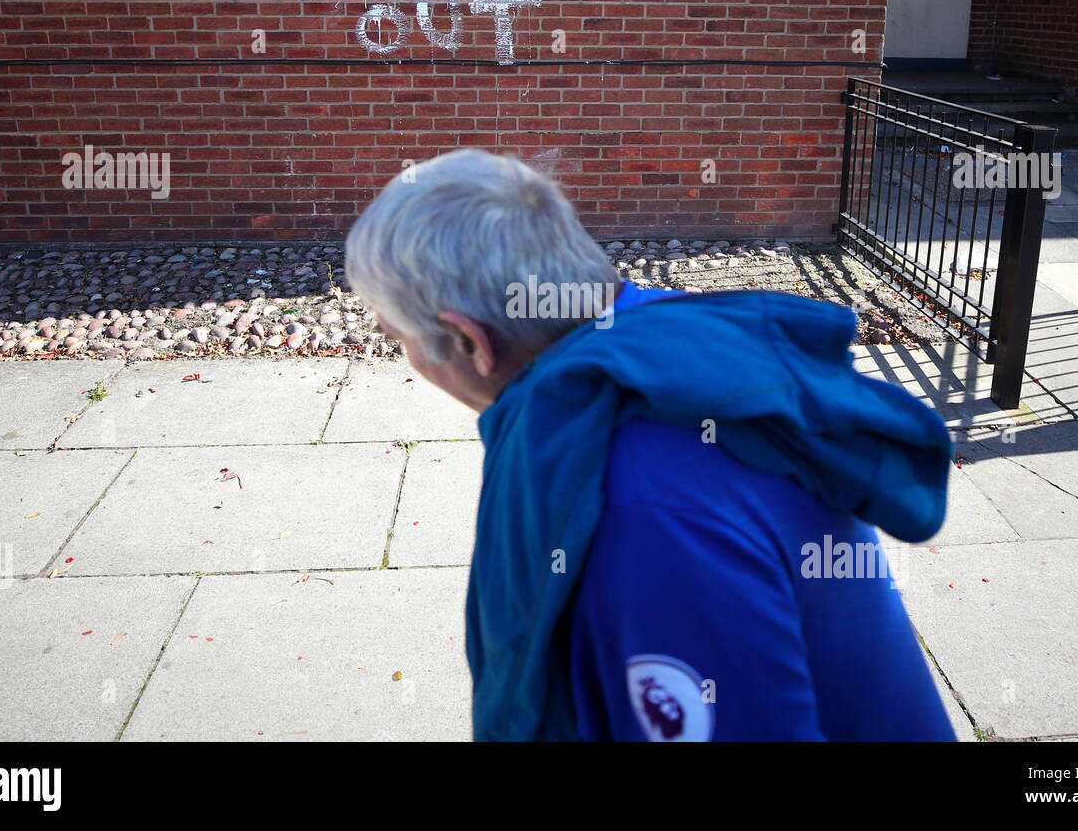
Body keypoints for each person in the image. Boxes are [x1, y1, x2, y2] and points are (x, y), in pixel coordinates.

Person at [346, 148, 957, 742]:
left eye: (397, 335)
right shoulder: (661, 334)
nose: (406, 356)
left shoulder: (638, 511)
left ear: (468, 341)